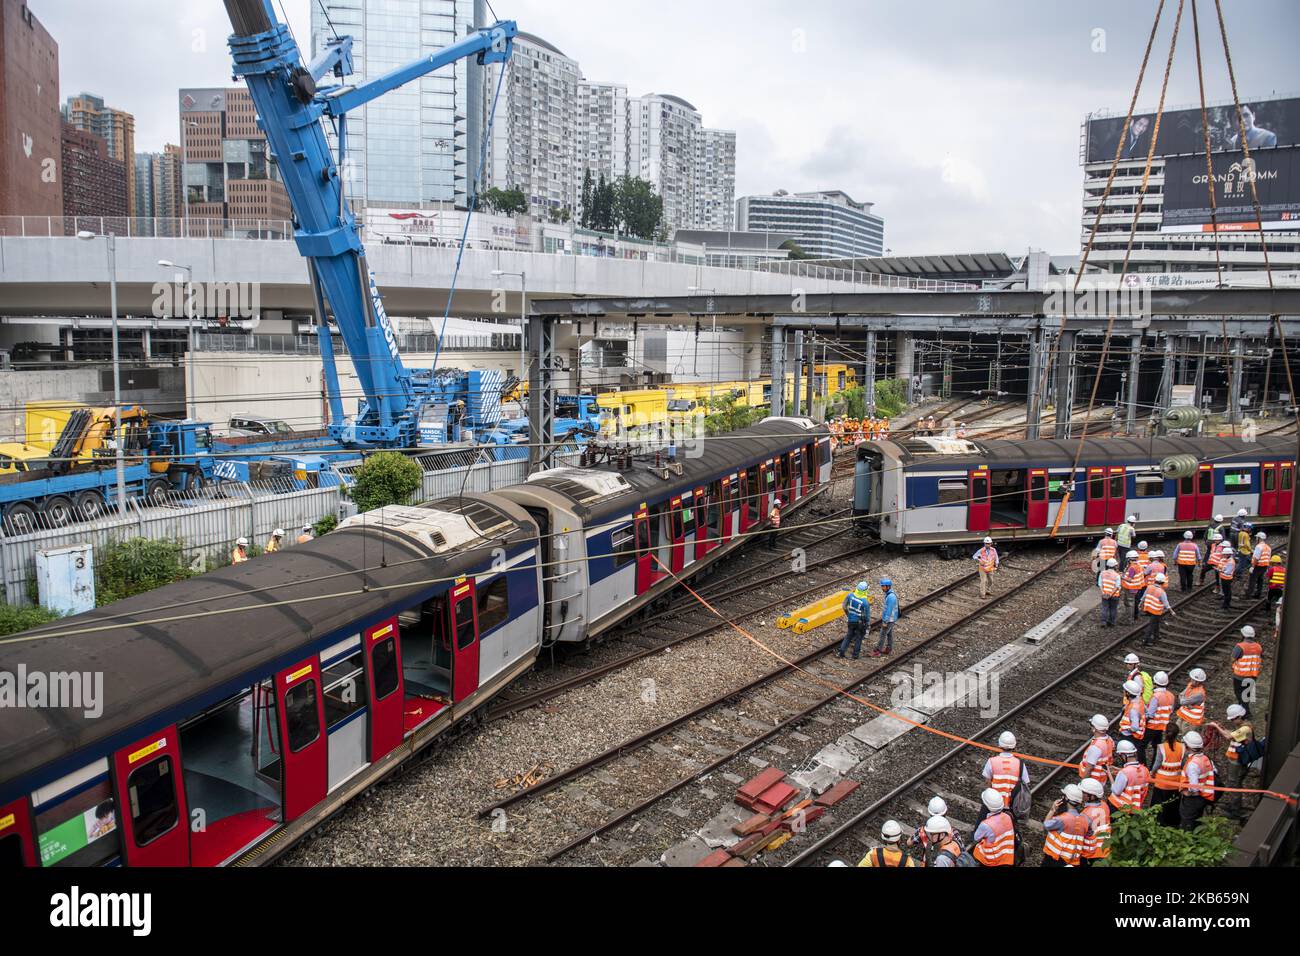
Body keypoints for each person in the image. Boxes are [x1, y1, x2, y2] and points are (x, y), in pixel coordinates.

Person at [1206, 704, 1256, 820]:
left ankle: (1235, 811)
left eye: (1233, 719)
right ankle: (1234, 805)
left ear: (1239, 716)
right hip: (1235, 760)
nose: (1233, 721)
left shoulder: (1246, 729)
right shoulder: (1243, 726)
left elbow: (1229, 737)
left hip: (1238, 761)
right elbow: (1231, 735)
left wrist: (1216, 727)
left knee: (1235, 784)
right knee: (1233, 783)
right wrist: (1221, 727)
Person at [982, 730, 1030, 819]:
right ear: (1014, 746)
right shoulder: (1020, 763)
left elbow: (987, 782)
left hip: (994, 804)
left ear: (999, 745)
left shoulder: (992, 761)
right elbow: (1025, 783)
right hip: (1012, 805)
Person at [1042, 784, 1092, 867]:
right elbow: (1089, 833)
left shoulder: (1061, 819)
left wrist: (1052, 810)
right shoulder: (1086, 820)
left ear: (1066, 799)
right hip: (1072, 860)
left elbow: (1046, 825)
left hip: (1055, 858)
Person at [1177, 731, 1216, 830]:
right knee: (1197, 820)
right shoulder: (1205, 759)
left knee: (1187, 822)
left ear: (1187, 746)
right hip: (1203, 797)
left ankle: (1187, 841)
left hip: (1192, 799)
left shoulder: (1192, 764)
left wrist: (1187, 793)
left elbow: (1194, 787)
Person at [1150, 721, 1186, 825]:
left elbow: (1157, 764)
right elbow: (1183, 764)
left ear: (1166, 733)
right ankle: (1172, 823)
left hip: (1161, 783)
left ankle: (1158, 823)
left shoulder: (1162, 747)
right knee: (1173, 805)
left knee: (1159, 805)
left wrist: (1152, 773)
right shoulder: (1182, 747)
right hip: (1176, 783)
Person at [971, 790, 1018, 866]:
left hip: (990, 859)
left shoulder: (986, 825)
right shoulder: (1008, 817)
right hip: (1006, 857)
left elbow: (976, 838)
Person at [908, 796, 960, 860]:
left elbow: (909, 843)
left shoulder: (922, 831)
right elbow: (961, 850)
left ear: (930, 813)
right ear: (945, 812)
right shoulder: (953, 832)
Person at [1145, 671, 1176, 768]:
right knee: (1156, 747)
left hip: (1152, 726)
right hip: (1162, 727)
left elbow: (1150, 714)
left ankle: (1144, 766)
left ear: (1155, 683)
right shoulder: (1171, 695)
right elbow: (1171, 710)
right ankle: (1153, 767)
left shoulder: (1156, 696)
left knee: (1141, 745)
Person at [1109, 739, 1151, 813]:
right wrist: (1119, 770)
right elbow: (1135, 775)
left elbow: (1116, 791)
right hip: (1135, 808)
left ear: (1123, 755)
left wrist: (1110, 775)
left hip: (1119, 807)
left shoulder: (1124, 773)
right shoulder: (1145, 770)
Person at [1230, 625, 1262, 717]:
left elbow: (1232, 659)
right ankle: (1242, 709)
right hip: (1253, 675)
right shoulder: (1258, 647)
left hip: (1240, 676)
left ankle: (1246, 712)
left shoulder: (1240, 646)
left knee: (1239, 693)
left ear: (1243, 635)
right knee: (1246, 694)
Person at [1078, 778, 1111, 866]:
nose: (1080, 794)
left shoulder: (1085, 815)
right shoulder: (1104, 805)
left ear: (1091, 796)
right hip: (1103, 849)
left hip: (1089, 853)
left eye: (1082, 792)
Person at [1118, 679, 1148, 766]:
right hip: (1138, 736)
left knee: (1129, 753)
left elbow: (1135, 727)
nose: (1123, 692)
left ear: (1128, 693)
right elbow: (1147, 713)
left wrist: (1126, 728)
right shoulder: (1140, 701)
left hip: (1129, 736)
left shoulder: (1133, 710)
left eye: (1125, 691)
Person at [838, 581, 871, 660]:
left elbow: (844, 606)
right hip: (860, 623)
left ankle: (841, 652)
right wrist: (867, 624)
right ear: (865, 591)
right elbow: (867, 616)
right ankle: (855, 655)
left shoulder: (850, 595)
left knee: (848, 636)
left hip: (851, 621)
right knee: (859, 638)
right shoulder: (865, 602)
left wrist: (848, 615)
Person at [1079, 713, 1115, 784]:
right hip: (1101, 778)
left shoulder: (1096, 747)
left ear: (1094, 728)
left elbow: (1089, 768)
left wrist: (1082, 783)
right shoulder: (1110, 740)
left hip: (1092, 781)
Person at [1141, 572, 1174, 646]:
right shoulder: (1161, 592)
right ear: (1162, 582)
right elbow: (1166, 604)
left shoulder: (1149, 587)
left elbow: (1143, 597)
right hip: (1156, 611)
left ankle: (1157, 635)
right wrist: (1171, 611)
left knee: (1156, 622)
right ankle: (1146, 640)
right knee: (1151, 625)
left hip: (1148, 608)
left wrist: (1140, 604)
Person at [872, 577, 898, 656]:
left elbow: (889, 610)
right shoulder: (890, 594)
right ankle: (888, 648)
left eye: (883, 586)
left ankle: (878, 651)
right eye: (882, 586)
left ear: (888, 586)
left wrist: (885, 621)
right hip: (892, 619)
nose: (882, 588)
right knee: (889, 634)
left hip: (889, 619)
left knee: (882, 635)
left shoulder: (890, 597)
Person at [1120, 552, 1147, 621]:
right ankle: (1135, 616)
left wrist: (1121, 577)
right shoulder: (1138, 565)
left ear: (1129, 559)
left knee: (1129, 604)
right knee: (1134, 602)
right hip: (1137, 587)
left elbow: (1129, 579)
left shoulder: (1132, 567)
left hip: (1131, 588)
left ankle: (1129, 619)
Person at [1098, 558, 1121, 626]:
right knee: (1113, 609)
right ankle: (1112, 622)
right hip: (1114, 595)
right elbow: (1117, 587)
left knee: (1104, 608)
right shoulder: (1117, 575)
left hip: (1105, 594)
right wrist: (1110, 594)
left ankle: (1103, 622)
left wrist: (1103, 593)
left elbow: (1100, 584)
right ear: (1115, 566)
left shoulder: (1102, 573)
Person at [1251, 531, 1272, 598]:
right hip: (1265, 565)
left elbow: (1256, 558)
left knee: (1253, 579)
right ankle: (1258, 593)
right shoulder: (1268, 547)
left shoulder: (1259, 546)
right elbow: (1268, 557)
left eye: (1257, 538)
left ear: (1259, 538)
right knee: (1260, 580)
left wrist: (1253, 566)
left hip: (1258, 565)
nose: (1256, 539)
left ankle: (1250, 594)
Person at [1218, 544, 1237, 608]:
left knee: (1227, 592)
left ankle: (1226, 605)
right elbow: (1221, 566)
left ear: (1228, 554)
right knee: (1225, 591)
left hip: (1227, 579)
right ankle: (1226, 603)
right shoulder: (1224, 559)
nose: (1223, 555)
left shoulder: (1231, 562)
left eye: (1224, 554)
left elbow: (1228, 572)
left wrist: (1220, 570)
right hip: (1223, 578)